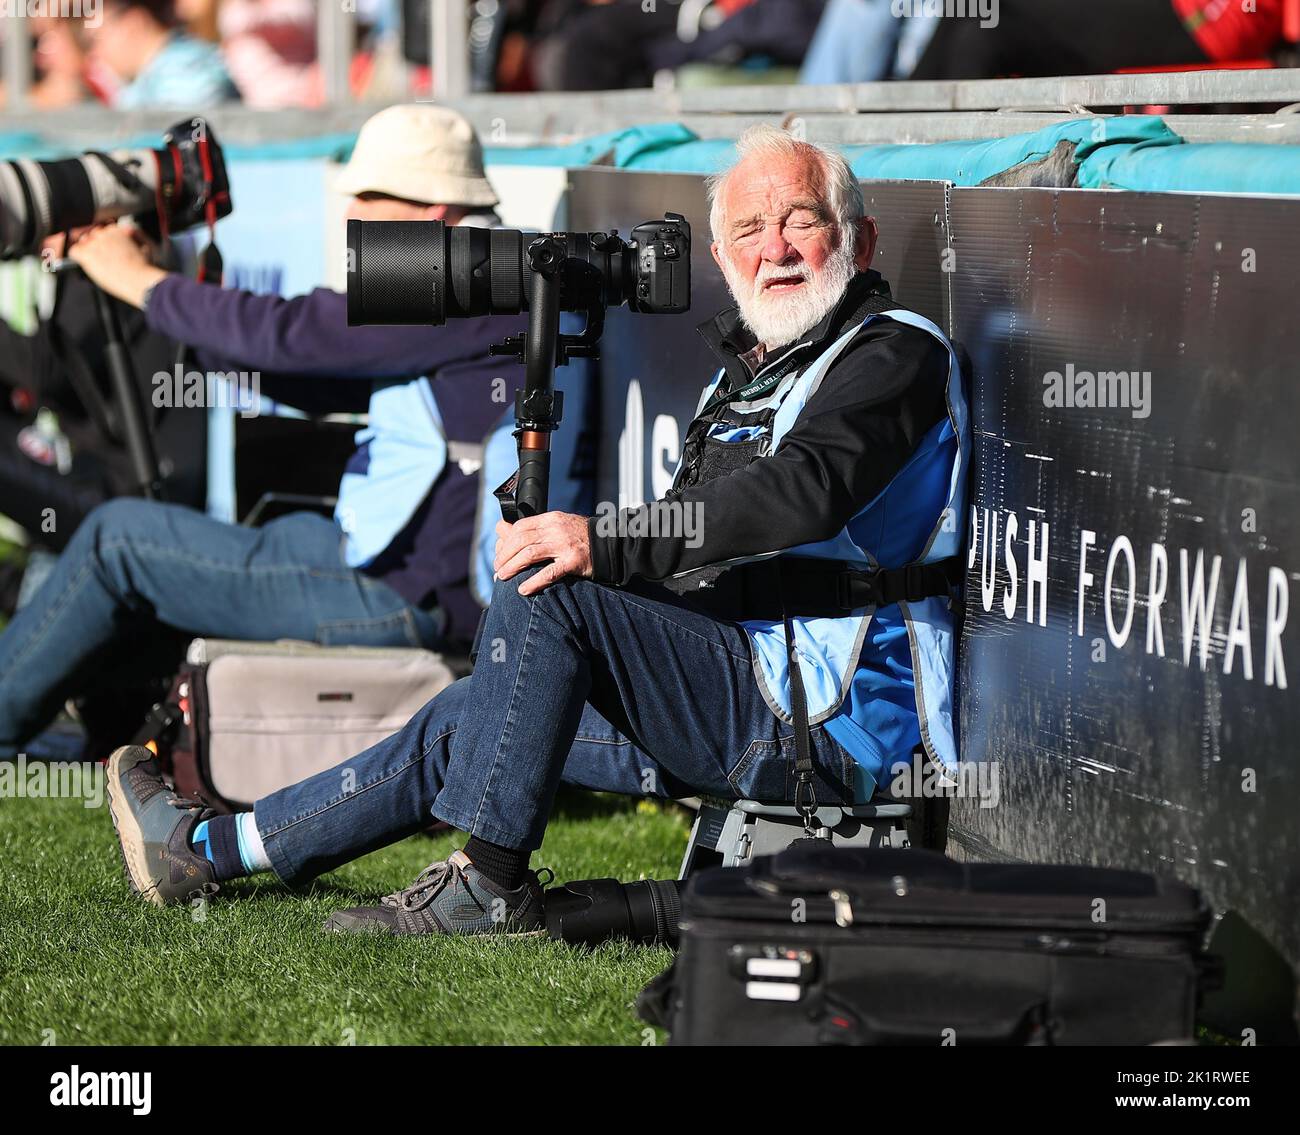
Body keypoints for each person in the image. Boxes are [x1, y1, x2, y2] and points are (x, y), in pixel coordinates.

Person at [106, 124, 969, 937]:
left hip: (830, 721)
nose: (774, 249)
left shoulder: (896, 353)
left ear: (860, 239)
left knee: (553, 590)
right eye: (749, 230)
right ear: (719, 258)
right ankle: (215, 850)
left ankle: (487, 882)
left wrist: (603, 543)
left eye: (800, 221)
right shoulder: (747, 374)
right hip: (741, 687)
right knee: (476, 708)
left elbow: (805, 492)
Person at [0, 105, 591, 758]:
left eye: (368, 195)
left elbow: (294, 335)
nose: (348, 215)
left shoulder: (469, 280)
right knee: (157, 535)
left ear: (433, 210)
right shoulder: (501, 270)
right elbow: (316, 372)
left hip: (404, 593)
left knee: (120, 538)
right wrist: (162, 294)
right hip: (387, 565)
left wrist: (143, 282)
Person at [911, 0, 1288, 81]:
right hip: (1172, 15)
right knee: (983, 32)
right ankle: (909, 129)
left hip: (1209, 17)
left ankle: (902, 114)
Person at [84, 0, 239, 109]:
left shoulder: (185, 69)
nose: (95, 53)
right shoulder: (149, 80)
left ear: (134, 22)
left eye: (97, 37)